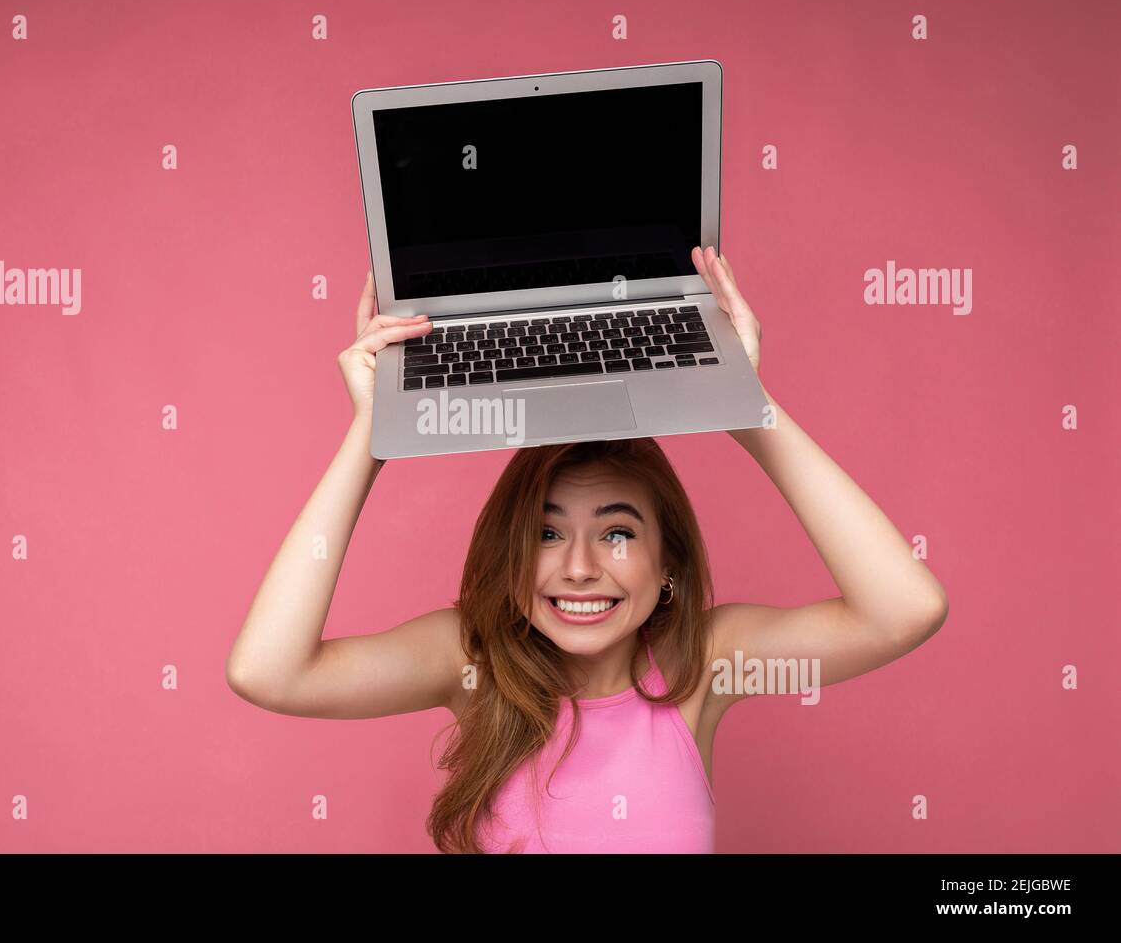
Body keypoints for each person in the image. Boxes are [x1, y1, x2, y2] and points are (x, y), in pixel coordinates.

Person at [226, 246, 949, 853]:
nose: (578, 566)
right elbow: (269, 671)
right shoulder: (469, 661)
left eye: (617, 532)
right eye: (546, 532)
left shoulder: (703, 670)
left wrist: (746, 402)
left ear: (668, 563)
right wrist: (374, 434)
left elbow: (904, 610)